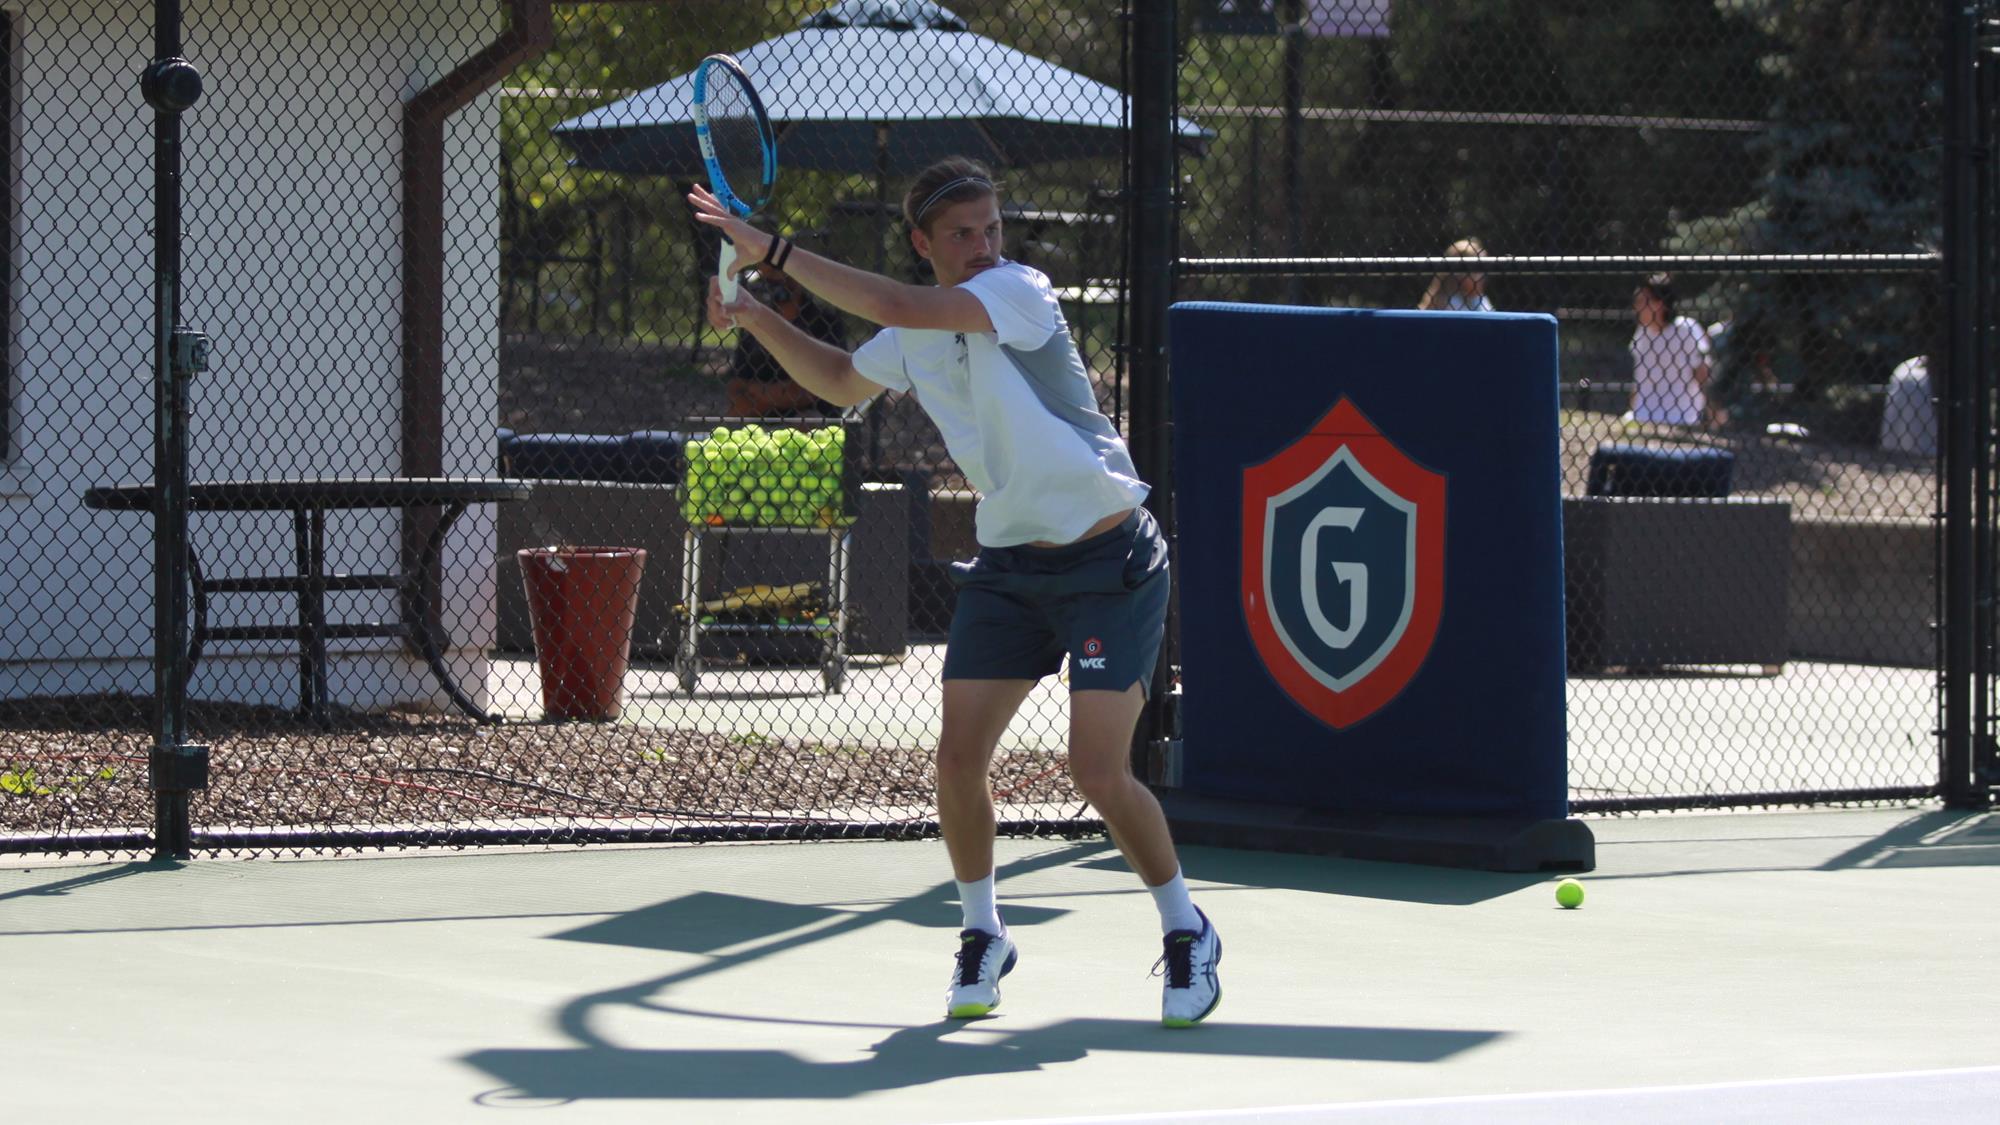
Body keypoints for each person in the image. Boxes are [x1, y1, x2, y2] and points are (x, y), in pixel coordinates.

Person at [688, 157, 1220, 1028]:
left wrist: (771, 250)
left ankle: (1185, 926)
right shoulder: (915, 332)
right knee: (957, 760)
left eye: (991, 228)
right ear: (921, 241)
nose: (982, 245)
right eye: (962, 234)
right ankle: (983, 933)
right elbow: (841, 379)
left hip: (1107, 562)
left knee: (1096, 769)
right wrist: (750, 311)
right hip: (1010, 567)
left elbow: (895, 303)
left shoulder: (1018, 291)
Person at [724, 264, 844, 419]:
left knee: (807, 420)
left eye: (779, 273)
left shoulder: (823, 321)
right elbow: (736, 387)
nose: (774, 283)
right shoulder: (755, 321)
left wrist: (760, 392)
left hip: (810, 413)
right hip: (761, 412)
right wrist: (781, 393)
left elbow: (809, 392)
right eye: (767, 278)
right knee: (737, 412)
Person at [1626, 272, 1714, 428]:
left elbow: (1702, 374)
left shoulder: (1686, 329)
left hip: (1681, 418)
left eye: (1643, 301)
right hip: (1641, 416)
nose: (1636, 307)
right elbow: (1638, 380)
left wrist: (1712, 412)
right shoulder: (1643, 332)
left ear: (1660, 304)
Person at [1416, 237, 1493, 311]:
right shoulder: (1447, 302)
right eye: (1477, 270)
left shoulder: (1479, 299)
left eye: (1483, 269)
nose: (1483, 276)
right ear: (1459, 274)